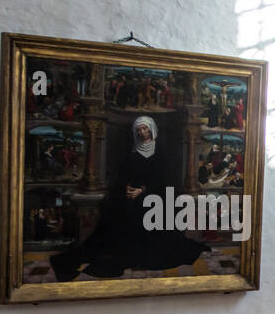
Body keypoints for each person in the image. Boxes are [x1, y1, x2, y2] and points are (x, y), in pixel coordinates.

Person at [49, 115, 208, 281]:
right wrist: (126, 187)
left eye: (144, 128)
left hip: (153, 196)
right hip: (132, 194)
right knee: (118, 218)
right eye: (139, 130)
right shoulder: (134, 149)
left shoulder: (160, 150)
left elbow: (163, 178)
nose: (142, 132)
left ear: (151, 129)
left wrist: (142, 190)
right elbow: (124, 173)